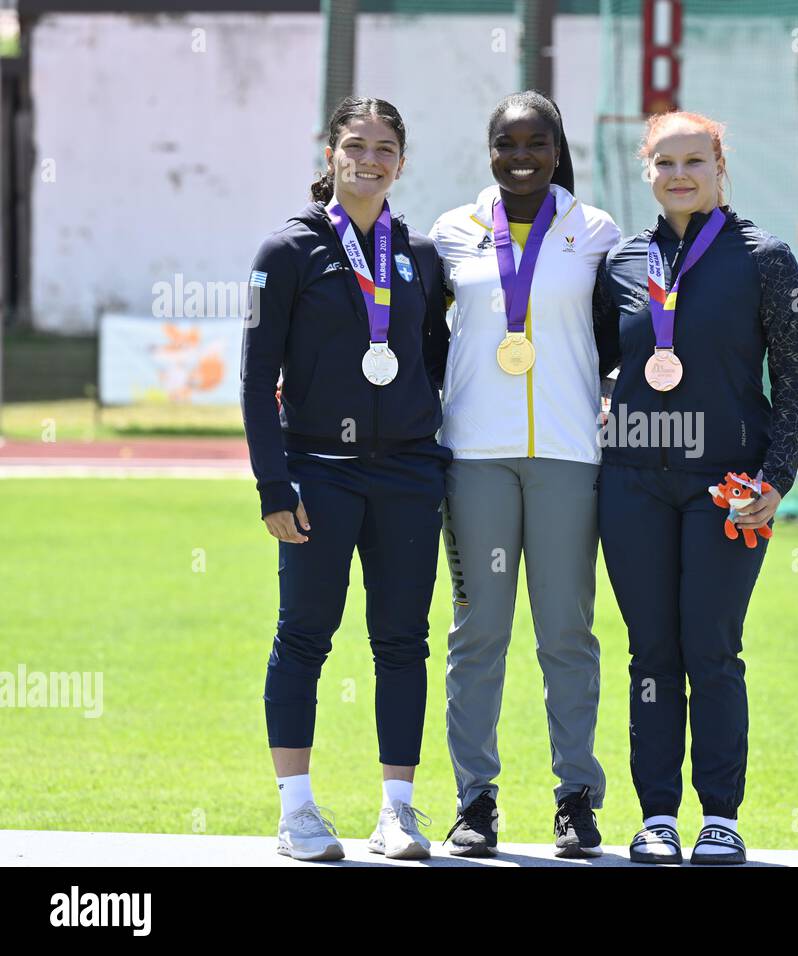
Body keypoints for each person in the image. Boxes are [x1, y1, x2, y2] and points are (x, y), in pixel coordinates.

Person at [592, 110, 798, 865]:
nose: (679, 175)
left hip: (727, 488)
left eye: (694, 161)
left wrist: (775, 480)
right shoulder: (621, 263)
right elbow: (589, 364)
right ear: (645, 169)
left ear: (720, 165)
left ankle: (719, 815)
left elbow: (796, 382)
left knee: (712, 650)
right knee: (650, 653)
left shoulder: (766, 259)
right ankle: (657, 814)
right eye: (665, 163)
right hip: (630, 487)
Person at [241, 95, 451, 861]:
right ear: (328, 153)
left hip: (405, 477)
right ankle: (297, 811)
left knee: (403, 642)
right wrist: (274, 484)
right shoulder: (288, 251)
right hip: (318, 476)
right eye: (356, 144)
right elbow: (256, 377)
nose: (370, 158)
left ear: (403, 158)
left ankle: (397, 812)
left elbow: (430, 359)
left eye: (386, 146)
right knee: (304, 638)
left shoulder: (420, 256)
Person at [429, 91, 621, 858]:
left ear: (556, 148)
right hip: (474, 457)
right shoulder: (451, 233)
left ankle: (576, 796)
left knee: (568, 633)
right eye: (506, 143)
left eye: (535, 143)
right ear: (488, 151)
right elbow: (406, 330)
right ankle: (474, 801)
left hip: (570, 456)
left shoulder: (594, 230)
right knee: (478, 633)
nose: (520, 156)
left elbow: (621, 334)